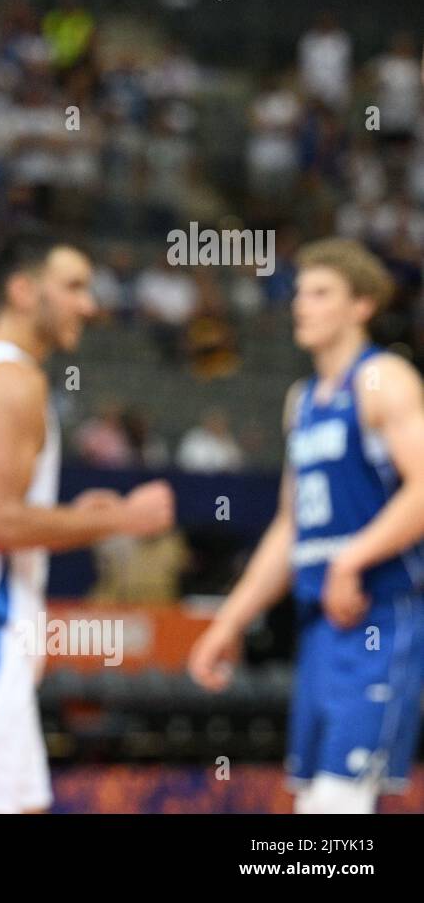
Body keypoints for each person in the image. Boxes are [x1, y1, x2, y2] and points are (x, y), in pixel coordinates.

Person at [0, 239, 174, 813]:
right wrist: (125, 519)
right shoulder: (15, 380)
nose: (89, 305)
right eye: (74, 286)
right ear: (23, 290)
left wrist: (82, 516)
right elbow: (0, 521)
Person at [189, 238, 424, 813]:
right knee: (313, 802)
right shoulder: (302, 401)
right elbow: (290, 527)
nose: (302, 305)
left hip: (381, 617)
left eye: (321, 294)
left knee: (339, 807)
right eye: (299, 293)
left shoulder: (384, 379)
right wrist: (230, 620)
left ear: (362, 305)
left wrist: (353, 558)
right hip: (320, 626)